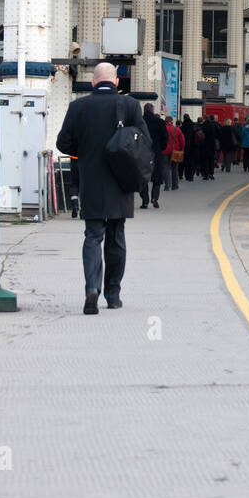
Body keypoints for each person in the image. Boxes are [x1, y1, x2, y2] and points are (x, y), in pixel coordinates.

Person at [56, 61, 147, 314]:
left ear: (93, 82)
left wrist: (83, 153)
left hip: (91, 181)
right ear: (117, 82)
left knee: (93, 236)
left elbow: (63, 143)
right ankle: (114, 295)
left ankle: (91, 288)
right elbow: (144, 142)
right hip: (122, 180)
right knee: (116, 238)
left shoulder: (78, 107)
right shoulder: (130, 105)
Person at [140, 102, 168, 209]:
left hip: (142, 153)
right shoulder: (159, 122)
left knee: (143, 177)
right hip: (156, 152)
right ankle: (154, 198)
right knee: (157, 177)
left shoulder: (140, 122)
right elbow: (165, 138)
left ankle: (145, 201)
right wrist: (161, 148)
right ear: (152, 110)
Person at [165, 116, 184, 190]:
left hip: (165, 150)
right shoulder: (176, 129)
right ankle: (175, 185)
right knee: (175, 168)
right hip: (175, 150)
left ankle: (167, 186)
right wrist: (181, 148)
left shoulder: (163, 129)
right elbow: (182, 140)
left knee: (166, 168)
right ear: (172, 121)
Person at [200, 114, 219, 180]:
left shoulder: (203, 126)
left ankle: (206, 174)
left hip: (205, 145)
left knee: (205, 161)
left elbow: (201, 136)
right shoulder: (212, 125)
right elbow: (217, 134)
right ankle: (211, 173)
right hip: (212, 145)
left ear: (204, 119)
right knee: (211, 160)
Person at [180, 114, 197, 181]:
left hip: (185, 146)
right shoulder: (194, 126)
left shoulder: (182, 127)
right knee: (192, 161)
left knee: (184, 162)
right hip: (193, 146)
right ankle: (191, 175)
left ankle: (185, 175)